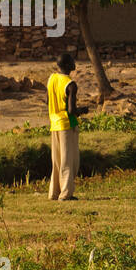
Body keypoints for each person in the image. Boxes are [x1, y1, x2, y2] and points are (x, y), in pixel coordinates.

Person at [47, 53, 87, 200]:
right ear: (69, 65)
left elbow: (48, 101)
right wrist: (82, 110)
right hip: (67, 125)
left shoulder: (52, 79)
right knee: (69, 161)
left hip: (54, 123)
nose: (74, 63)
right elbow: (71, 111)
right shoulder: (70, 84)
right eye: (72, 61)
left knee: (57, 161)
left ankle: (54, 192)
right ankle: (66, 194)